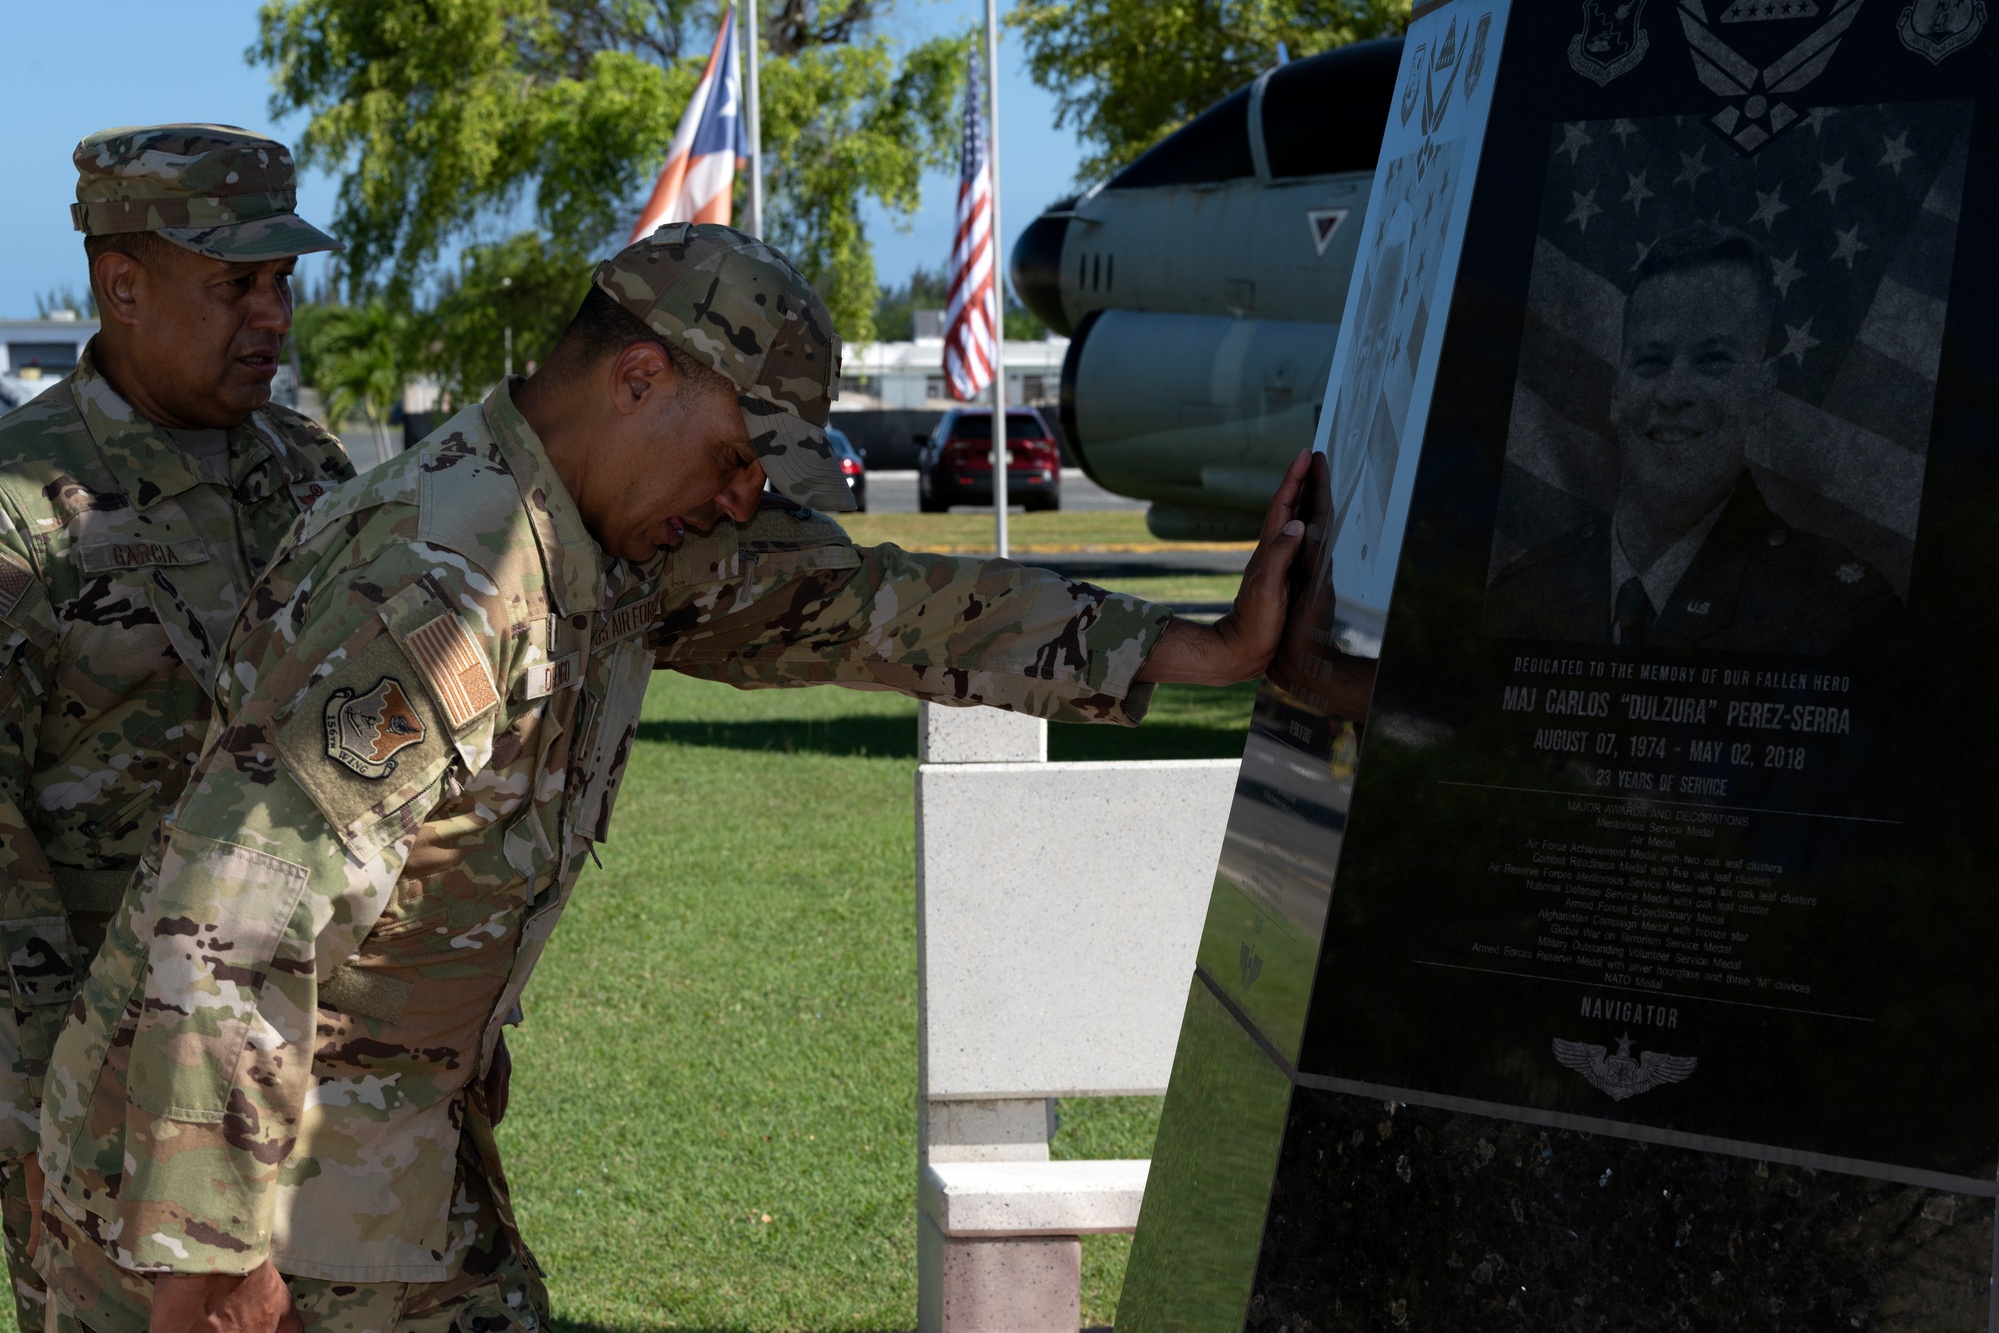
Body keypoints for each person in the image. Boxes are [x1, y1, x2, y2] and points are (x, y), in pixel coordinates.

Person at [32, 222, 1324, 1333]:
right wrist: (208, 1261)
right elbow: (230, 911)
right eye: (733, 459)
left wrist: (1193, 645)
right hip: (214, 1189)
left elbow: (868, 602)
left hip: (380, 1148)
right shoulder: (442, 583)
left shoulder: (604, 533)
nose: (741, 499)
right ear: (639, 378)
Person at [0, 125, 353, 1333]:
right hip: (114, 1095)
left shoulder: (312, 478)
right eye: (234, 285)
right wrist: (31, 1116)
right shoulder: (22, 504)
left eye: (281, 283)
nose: (272, 317)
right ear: (123, 285)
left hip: (320, 1078)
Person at [1484, 222, 1900, 653]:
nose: (1674, 393)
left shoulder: (1841, 618)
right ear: (1616, 393)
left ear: (1760, 391)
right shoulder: (1522, 596)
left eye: (1713, 360)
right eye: (1651, 360)